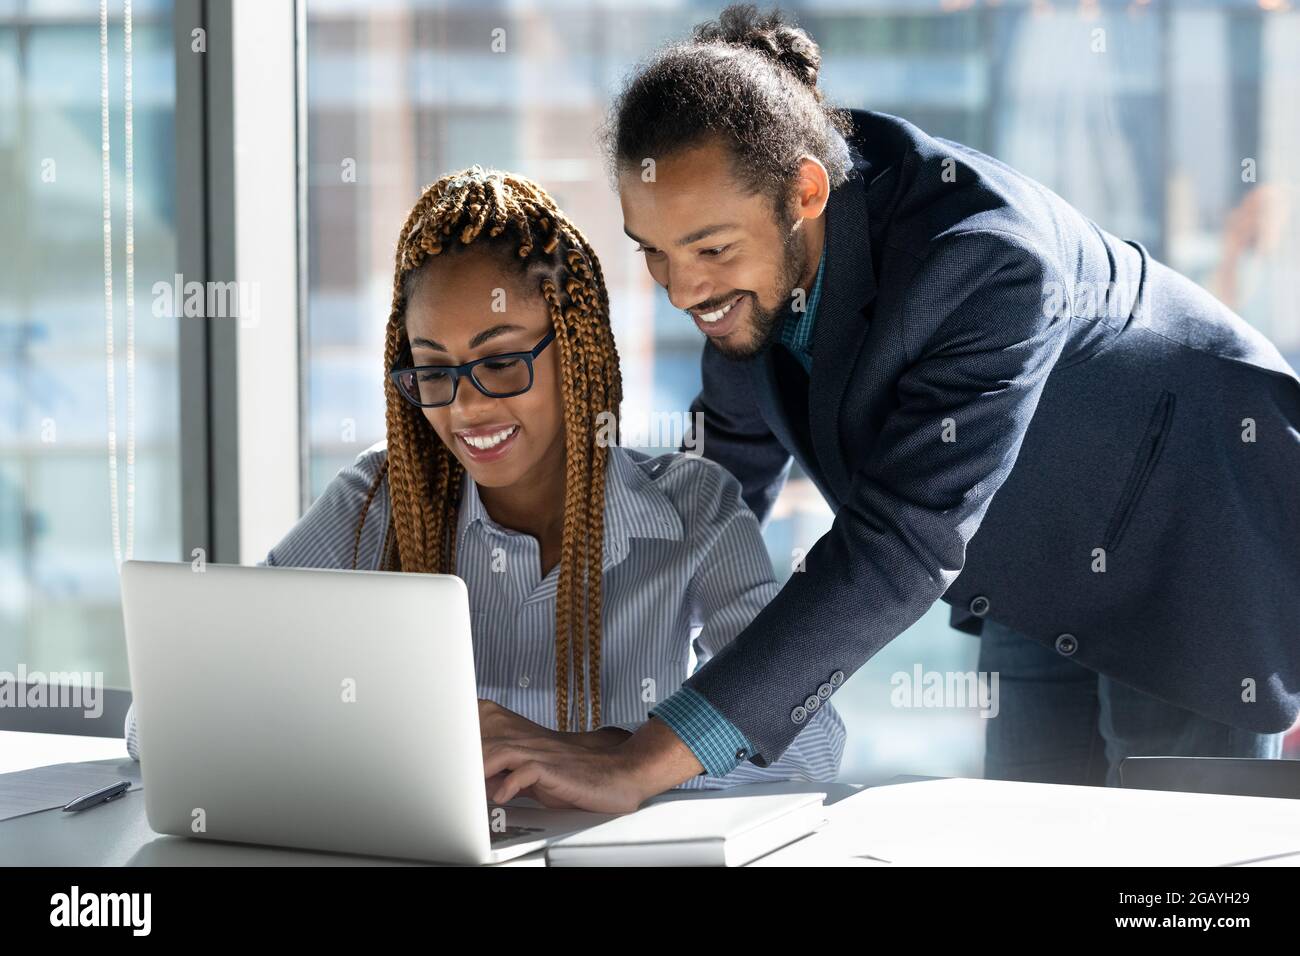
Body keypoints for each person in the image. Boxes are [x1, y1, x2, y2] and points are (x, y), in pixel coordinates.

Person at [482, 4, 1300, 810]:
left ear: (803, 191)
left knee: (1175, 867)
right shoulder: (751, 256)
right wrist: (594, 694)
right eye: (654, 252)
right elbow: (717, 470)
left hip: (1195, 530)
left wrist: (644, 762)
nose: (682, 289)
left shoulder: (982, 257)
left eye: (709, 249)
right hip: (1038, 558)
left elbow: (895, 546)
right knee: (1039, 835)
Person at [124, 166, 846, 791]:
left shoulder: (694, 508)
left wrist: (615, 755)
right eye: (434, 370)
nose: (466, 406)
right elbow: (162, 716)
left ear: (576, 352)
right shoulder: (374, 501)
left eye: (501, 360)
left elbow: (813, 742)